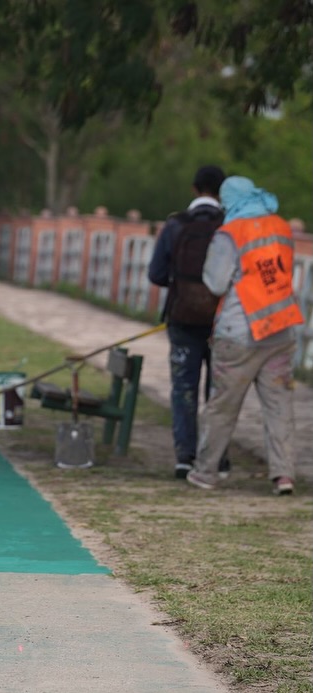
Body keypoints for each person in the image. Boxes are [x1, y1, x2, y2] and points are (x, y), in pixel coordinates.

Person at [186, 176, 305, 495]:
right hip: (281, 328)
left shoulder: (231, 232)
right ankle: (284, 475)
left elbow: (215, 282)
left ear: (229, 202)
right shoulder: (281, 226)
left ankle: (206, 472)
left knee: (222, 405)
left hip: (240, 332)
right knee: (279, 405)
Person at [148, 165, 229, 479]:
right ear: (222, 192)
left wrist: (183, 284)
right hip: (222, 322)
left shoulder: (175, 225)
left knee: (184, 389)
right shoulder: (229, 226)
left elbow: (156, 274)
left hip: (182, 320)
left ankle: (185, 457)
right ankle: (217, 458)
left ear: (194, 189)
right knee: (219, 392)